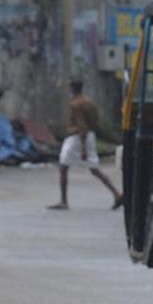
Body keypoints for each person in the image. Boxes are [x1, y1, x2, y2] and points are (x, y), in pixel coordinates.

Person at [48, 79, 122, 211]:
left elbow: (81, 126)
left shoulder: (76, 105)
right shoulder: (89, 102)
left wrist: (83, 148)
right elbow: (94, 122)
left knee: (64, 166)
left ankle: (64, 201)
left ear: (72, 89)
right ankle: (116, 193)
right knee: (94, 168)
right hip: (88, 136)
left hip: (78, 138)